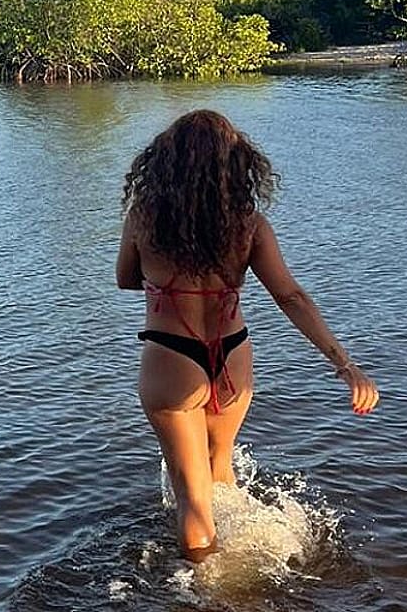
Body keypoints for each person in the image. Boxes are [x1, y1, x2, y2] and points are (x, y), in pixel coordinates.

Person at [116, 109, 379, 562]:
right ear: (237, 164)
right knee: (221, 473)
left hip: (171, 359)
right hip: (233, 359)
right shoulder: (249, 224)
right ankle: (247, 562)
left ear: (165, 161)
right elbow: (291, 297)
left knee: (192, 502)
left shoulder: (144, 217)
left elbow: (125, 279)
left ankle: (209, 594)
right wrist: (347, 367)